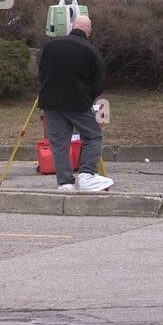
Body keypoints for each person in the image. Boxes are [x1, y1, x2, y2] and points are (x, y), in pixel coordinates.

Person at [37, 15, 114, 192]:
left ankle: (65, 183)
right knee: (93, 136)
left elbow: (41, 72)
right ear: (88, 31)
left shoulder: (51, 46)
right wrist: (88, 97)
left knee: (59, 143)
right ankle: (87, 175)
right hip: (78, 103)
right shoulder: (90, 50)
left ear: (72, 27)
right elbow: (99, 81)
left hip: (51, 101)